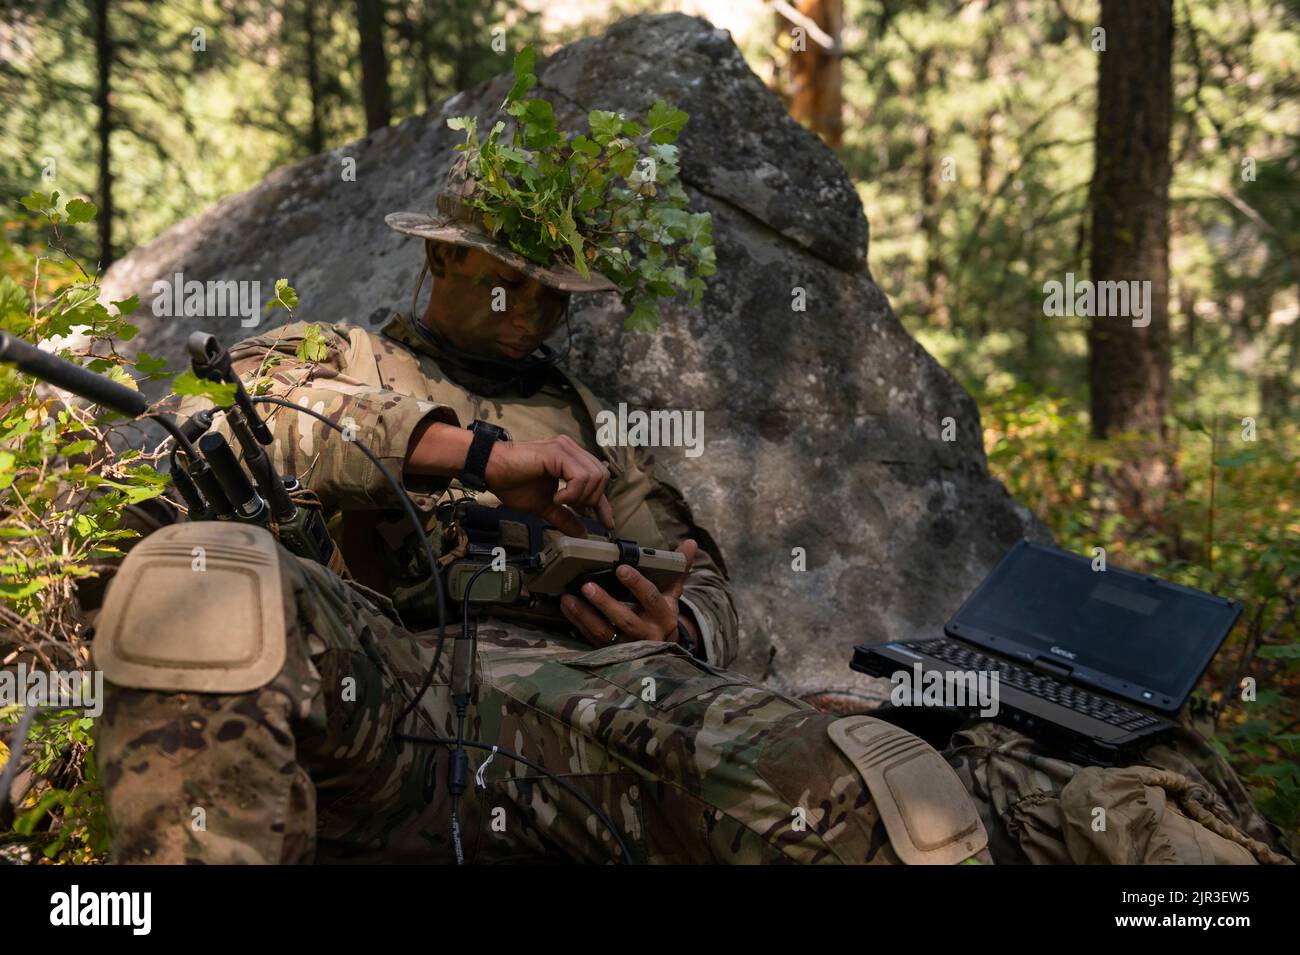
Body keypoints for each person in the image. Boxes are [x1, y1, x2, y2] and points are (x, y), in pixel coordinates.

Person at [91, 158, 991, 865]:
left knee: (881, 787)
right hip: (396, 698)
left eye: (554, 295)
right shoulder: (341, 357)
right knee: (209, 589)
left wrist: (677, 626)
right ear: (442, 255)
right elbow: (265, 421)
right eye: (510, 283)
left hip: (591, 713)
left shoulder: (592, 423)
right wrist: (483, 456)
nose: (533, 315)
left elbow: (705, 578)